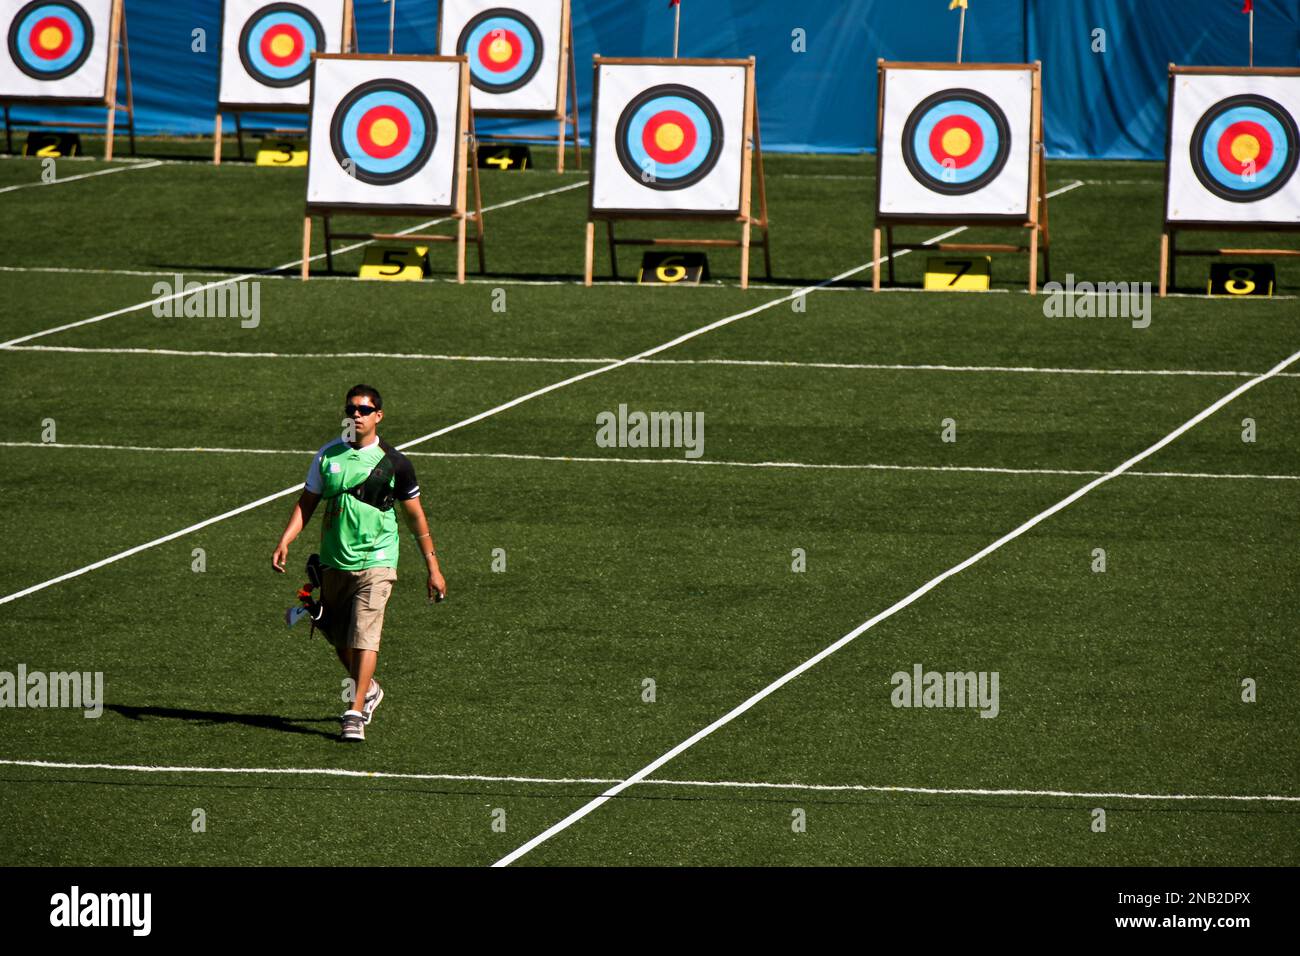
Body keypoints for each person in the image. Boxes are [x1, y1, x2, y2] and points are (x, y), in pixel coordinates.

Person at [272, 384, 446, 742]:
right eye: (351, 408)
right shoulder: (328, 455)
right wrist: (286, 539)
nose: (356, 414)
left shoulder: (395, 463)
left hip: (378, 559)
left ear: (378, 416)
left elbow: (415, 518)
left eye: (364, 410)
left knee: (364, 632)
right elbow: (308, 502)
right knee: (336, 633)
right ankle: (369, 690)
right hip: (335, 561)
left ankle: (354, 712)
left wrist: (433, 567)